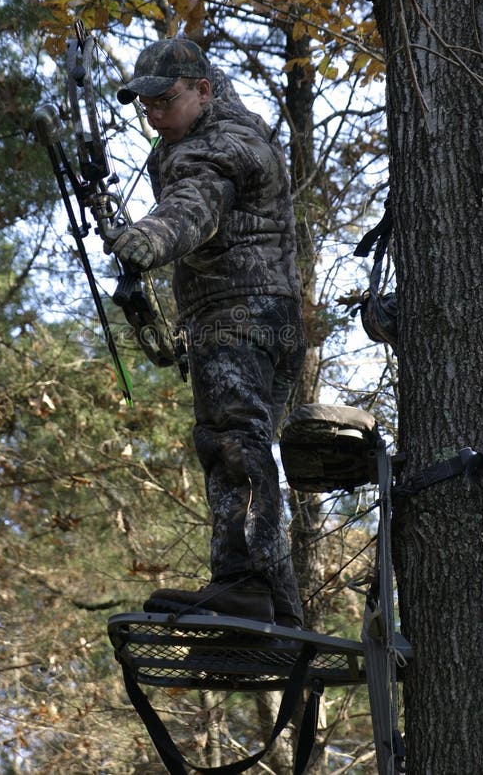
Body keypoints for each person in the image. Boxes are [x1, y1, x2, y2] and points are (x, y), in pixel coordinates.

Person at [111, 37, 307, 628]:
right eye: (144, 106)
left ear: (202, 90)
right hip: (261, 320)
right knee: (244, 441)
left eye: (164, 101)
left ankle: (242, 587)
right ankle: (276, 609)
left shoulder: (220, 144)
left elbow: (195, 205)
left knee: (231, 442)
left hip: (239, 318)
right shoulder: (225, 133)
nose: (153, 116)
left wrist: (149, 239)